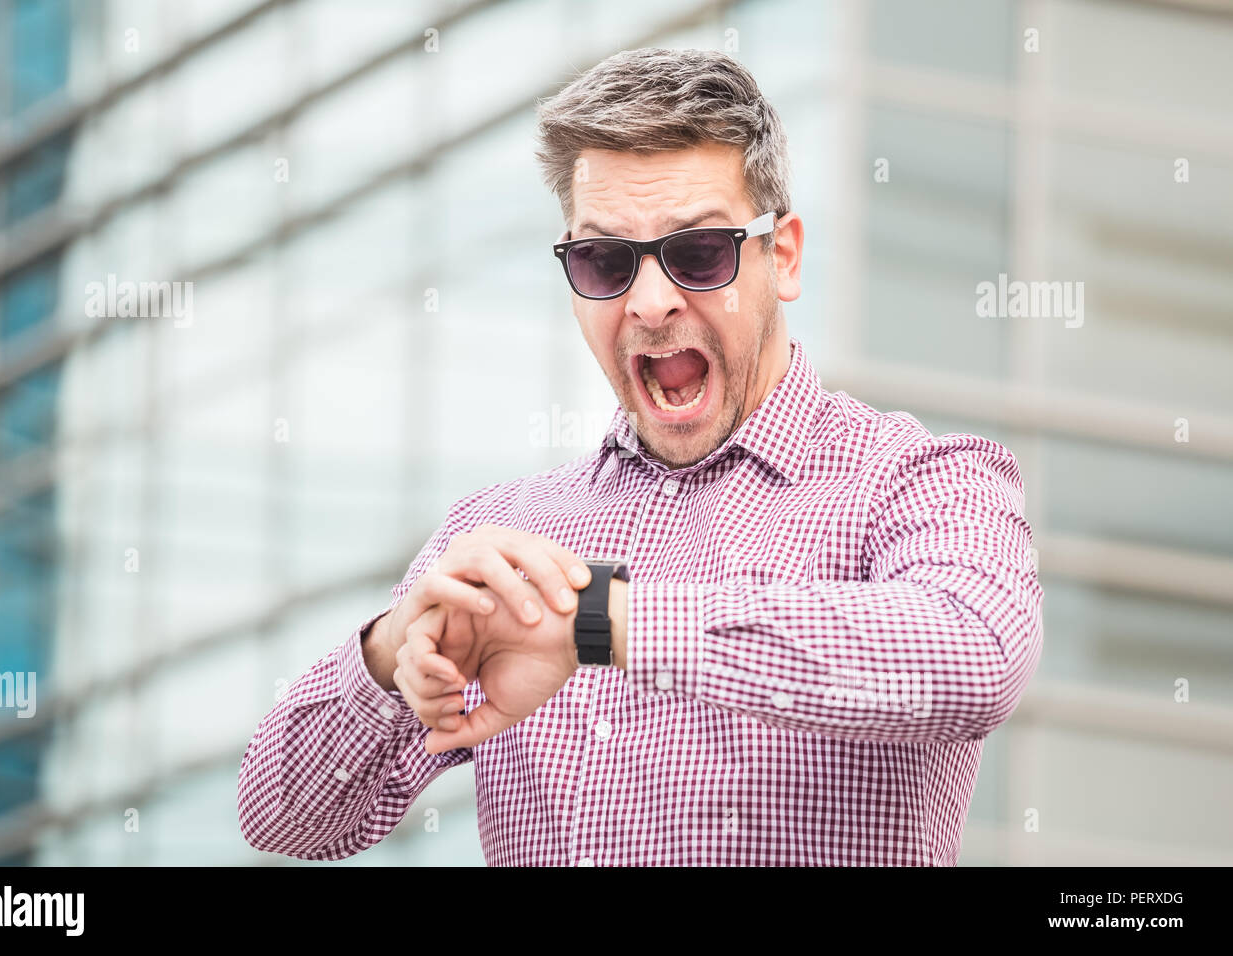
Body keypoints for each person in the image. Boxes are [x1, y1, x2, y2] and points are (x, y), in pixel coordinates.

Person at [237, 47, 1043, 866]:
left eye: (699, 254)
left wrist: (603, 624)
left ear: (784, 256)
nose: (651, 302)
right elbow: (283, 820)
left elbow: (976, 652)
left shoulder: (914, 479)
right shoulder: (504, 537)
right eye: (606, 260)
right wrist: (390, 660)